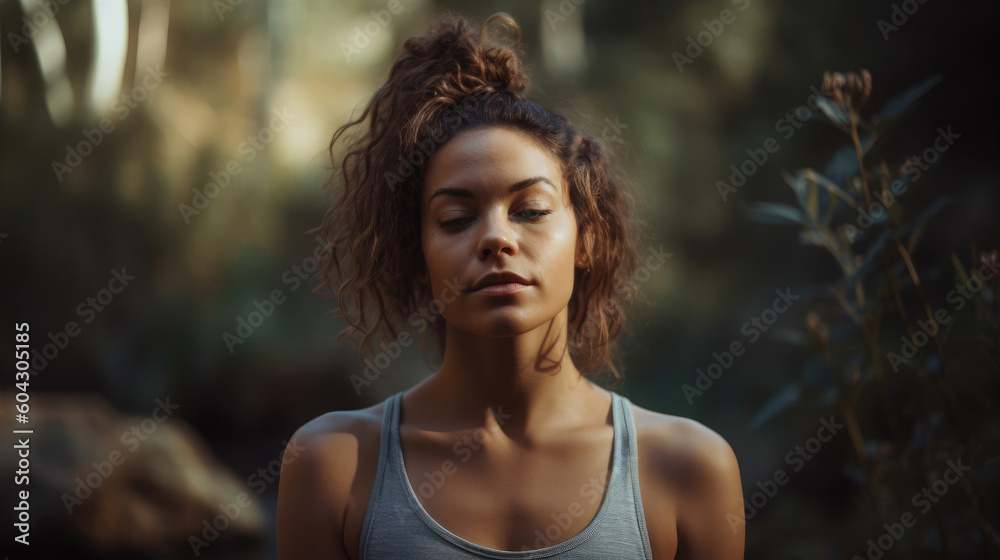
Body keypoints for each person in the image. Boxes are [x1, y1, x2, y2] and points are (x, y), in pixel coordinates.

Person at [277, 11, 744, 559]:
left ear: (587, 238)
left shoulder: (689, 467)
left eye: (531, 210)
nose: (496, 238)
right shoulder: (332, 463)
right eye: (455, 219)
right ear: (416, 256)